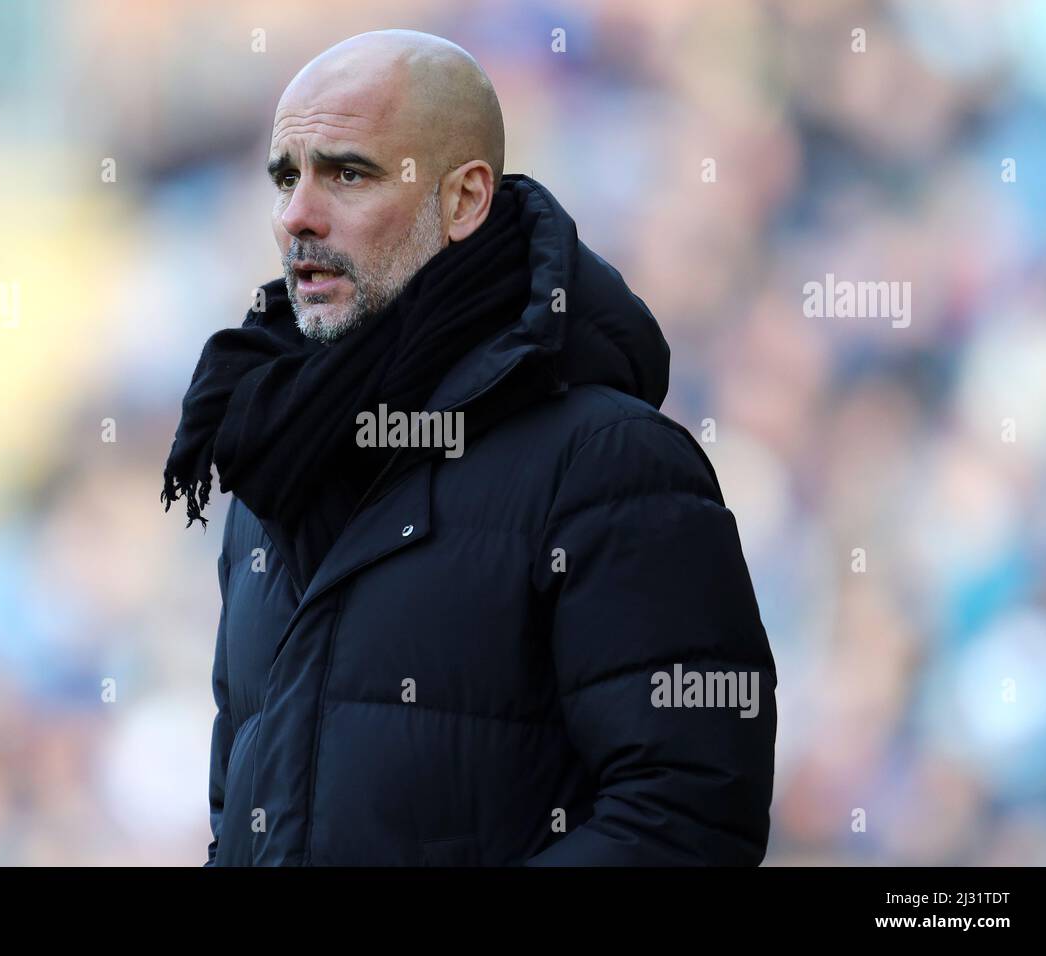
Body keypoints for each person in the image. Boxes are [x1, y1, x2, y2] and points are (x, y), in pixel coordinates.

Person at [162, 29, 777, 866]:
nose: (298, 215)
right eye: (285, 176)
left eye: (348, 173)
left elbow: (684, 820)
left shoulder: (610, 463)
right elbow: (239, 818)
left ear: (463, 201)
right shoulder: (274, 469)